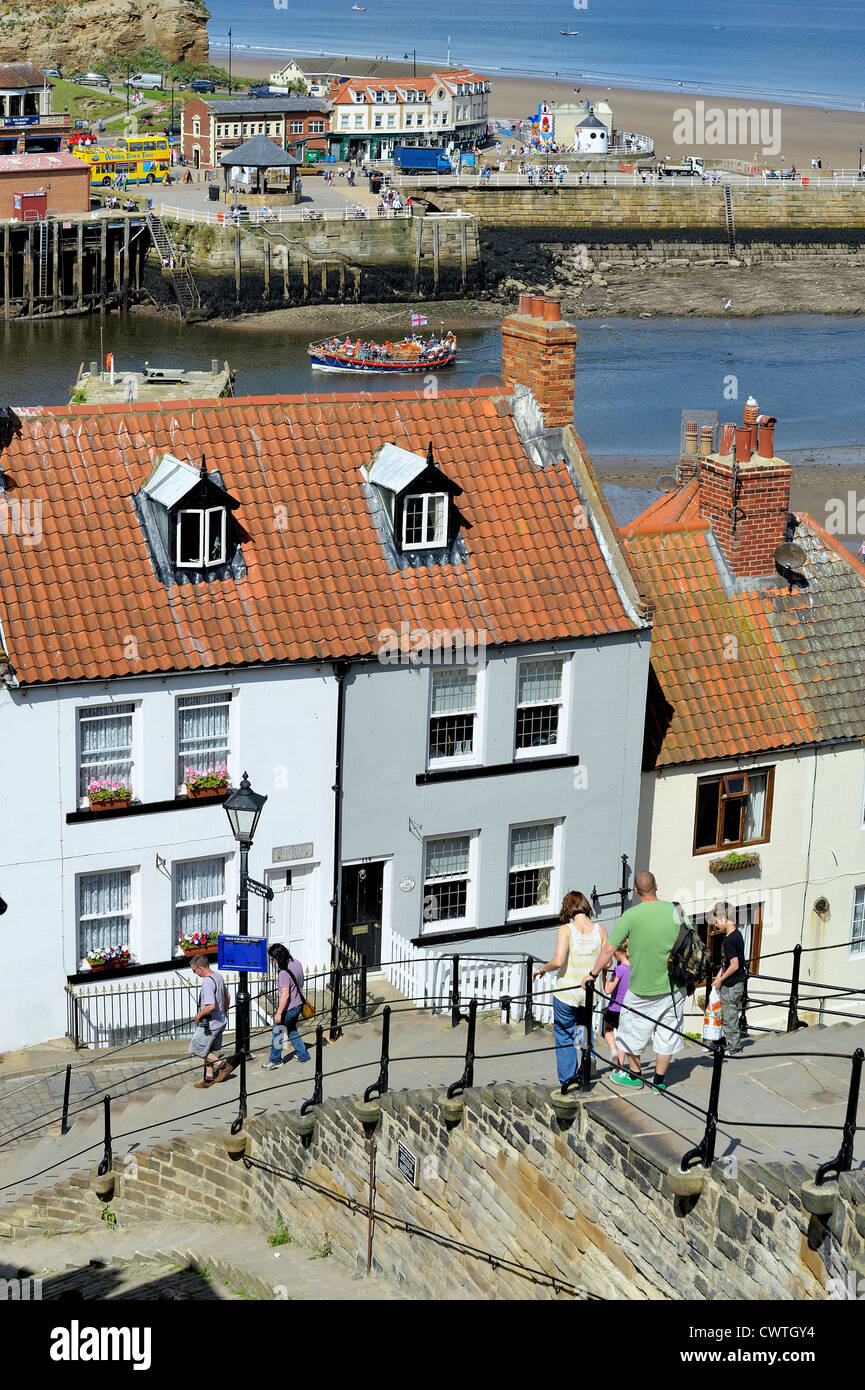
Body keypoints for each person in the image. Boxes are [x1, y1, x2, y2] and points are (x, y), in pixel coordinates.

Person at [582, 869, 689, 1093]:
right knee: (667, 1033)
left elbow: (609, 948)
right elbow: (689, 939)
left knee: (631, 1030)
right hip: (673, 986)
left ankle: (635, 1076)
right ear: (657, 886)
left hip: (642, 988)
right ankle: (659, 1081)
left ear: (636, 891)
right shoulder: (676, 910)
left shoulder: (631, 915)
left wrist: (592, 974)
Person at [533, 891, 607, 1087]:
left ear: (568, 908)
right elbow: (607, 963)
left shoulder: (566, 930)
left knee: (565, 1033)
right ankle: (587, 1060)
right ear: (585, 905)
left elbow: (558, 961)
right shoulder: (600, 930)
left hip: (566, 993)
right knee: (584, 1028)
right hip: (589, 994)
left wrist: (541, 969)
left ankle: (568, 1080)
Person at [262, 943, 311, 1068]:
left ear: (278, 957)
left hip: (289, 1009)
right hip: (298, 1004)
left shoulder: (283, 973)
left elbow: (285, 996)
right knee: (292, 1030)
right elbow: (301, 982)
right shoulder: (296, 963)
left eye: (273, 958)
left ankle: (275, 1060)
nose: (273, 961)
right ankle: (303, 1055)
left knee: (277, 1033)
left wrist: (278, 1013)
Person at [189, 955, 231, 1086]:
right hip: (221, 1020)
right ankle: (208, 1078)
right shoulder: (218, 976)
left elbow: (210, 1006)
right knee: (208, 1050)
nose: (194, 973)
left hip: (210, 1024)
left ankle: (223, 1066)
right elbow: (227, 996)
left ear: (200, 969)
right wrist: (224, 1011)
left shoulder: (207, 981)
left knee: (196, 1049)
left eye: (194, 970)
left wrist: (198, 1015)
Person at [711, 903, 747, 1055]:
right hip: (734, 983)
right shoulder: (736, 934)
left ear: (725, 918)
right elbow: (727, 963)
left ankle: (734, 1048)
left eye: (717, 921)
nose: (715, 924)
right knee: (727, 1015)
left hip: (732, 985)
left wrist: (721, 979)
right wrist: (719, 977)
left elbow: (734, 965)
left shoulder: (729, 940)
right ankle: (727, 1042)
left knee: (729, 1016)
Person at [602, 941, 630, 1066]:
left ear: (618, 953)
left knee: (608, 1029)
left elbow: (608, 990)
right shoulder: (634, 968)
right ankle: (619, 1065)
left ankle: (613, 1051)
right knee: (624, 1036)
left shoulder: (619, 969)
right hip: (628, 1008)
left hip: (615, 1007)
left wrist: (603, 975)